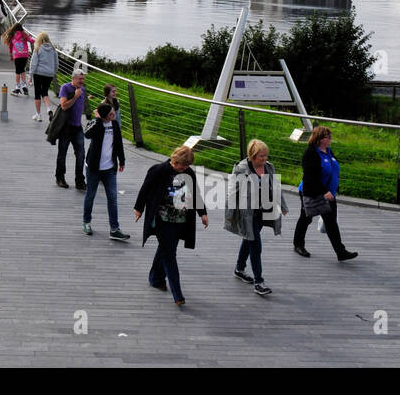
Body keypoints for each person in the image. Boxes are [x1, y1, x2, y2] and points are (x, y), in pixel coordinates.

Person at [134, 145, 209, 306]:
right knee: (169, 255)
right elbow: (145, 189)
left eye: (186, 166)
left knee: (165, 248)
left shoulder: (188, 173)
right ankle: (178, 294)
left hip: (180, 221)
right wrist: (138, 209)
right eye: (181, 165)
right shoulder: (158, 170)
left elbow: (195, 194)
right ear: (174, 160)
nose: (183, 169)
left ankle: (156, 278)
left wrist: (202, 213)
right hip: (162, 219)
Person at [224, 139, 288, 297]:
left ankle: (239, 269)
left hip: (263, 212)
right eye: (261, 156)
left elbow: (276, 187)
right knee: (255, 245)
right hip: (247, 215)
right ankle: (259, 282)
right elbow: (232, 193)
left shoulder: (269, 167)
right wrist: (229, 216)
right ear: (252, 156)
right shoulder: (242, 169)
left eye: (266, 156)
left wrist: (284, 206)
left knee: (248, 239)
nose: (264, 159)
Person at [292, 126, 358, 261]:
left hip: (329, 194)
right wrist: (324, 192)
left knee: (331, 222)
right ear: (320, 139)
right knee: (306, 218)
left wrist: (334, 188)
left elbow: (333, 169)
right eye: (327, 137)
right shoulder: (310, 154)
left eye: (330, 136)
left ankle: (341, 252)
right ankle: (298, 244)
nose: (330, 139)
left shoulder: (328, 151)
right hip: (313, 193)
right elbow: (310, 177)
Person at [82, 102, 129, 240]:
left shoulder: (114, 125)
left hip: (109, 168)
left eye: (113, 112)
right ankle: (86, 222)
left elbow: (119, 143)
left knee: (113, 198)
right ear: (104, 116)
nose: (114, 115)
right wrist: (97, 120)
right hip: (94, 168)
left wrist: (122, 160)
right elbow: (87, 134)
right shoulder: (97, 124)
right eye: (110, 114)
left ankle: (114, 229)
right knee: (90, 195)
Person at [55, 70, 87, 190]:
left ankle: (79, 180)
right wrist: (75, 96)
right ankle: (60, 178)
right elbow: (64, 106)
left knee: (81, 154)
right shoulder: (66, 88)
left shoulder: (82, 89)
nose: (82, 81)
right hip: (66, 127)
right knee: (62, 153)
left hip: (77, 127)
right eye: (80, 79)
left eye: (83, 79)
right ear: (73, 78)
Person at [29, 31, 58, 122]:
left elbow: (33, 63)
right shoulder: (53, 50)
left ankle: (38, 115)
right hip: (49, 74)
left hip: (38, 73)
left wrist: (30, 75)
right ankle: (49, 109)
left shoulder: (37, 48)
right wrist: (53, 72)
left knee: (37, 93)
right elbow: (56, 64)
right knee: (44, 92)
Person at [5, 23, 34, 95]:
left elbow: (10, 47)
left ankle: (17, 87)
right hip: (24, 55)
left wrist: (11, 55)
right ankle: (24, 85)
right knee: (22, 69)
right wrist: (30, 37)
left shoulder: (12, 35)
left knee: (18, 71)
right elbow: (32, 41)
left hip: (17, 55)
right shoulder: (24, 34)